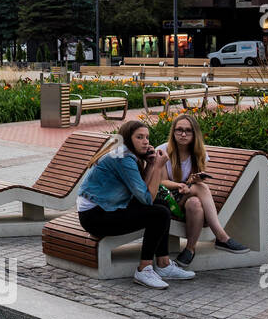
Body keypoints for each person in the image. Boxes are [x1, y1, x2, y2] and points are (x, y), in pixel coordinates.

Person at [75, 119, 191, 289]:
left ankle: (164, 264)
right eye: (139, 137)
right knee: (159, 213)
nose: (145, 142)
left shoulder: (125, 154)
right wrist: (159, 167)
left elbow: (142, 190)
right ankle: (144, 269)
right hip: (95, 217)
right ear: (128, 139)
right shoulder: (123, 158)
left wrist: (151, 164)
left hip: (106, 209)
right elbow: (146, 199)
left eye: (147, 137)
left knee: (162, 205)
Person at [149, 115, 249, 266]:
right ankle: (221, 237)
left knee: (195, 203)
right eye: (179, 130)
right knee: (201, 188)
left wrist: (192, 181)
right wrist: (180, 185)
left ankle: (190, 249)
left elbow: (194, 181)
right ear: (173, 132)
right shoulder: (162, 150)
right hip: (165, 199)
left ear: (194, 133)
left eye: (188, 131)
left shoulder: (199, 152)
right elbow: (161, 182)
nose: (183, 134)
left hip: (186, 196)